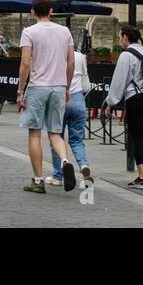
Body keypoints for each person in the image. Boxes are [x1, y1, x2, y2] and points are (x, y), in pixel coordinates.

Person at [17, 0, 76, 193]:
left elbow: (25, 63)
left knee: (34, 133)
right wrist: (66, 86)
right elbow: (71, 62)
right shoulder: (64, 31)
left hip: (37, 86)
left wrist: (19, 91)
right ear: (51, 11)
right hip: (58, 86)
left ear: (33, 11)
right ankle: (65, 161)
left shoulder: (29, 32)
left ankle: (37, 180)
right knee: (55, 133)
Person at [104, 25, 143, 189]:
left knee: (136, 136)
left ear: (125, 37)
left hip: (135, 98)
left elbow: (119, 81)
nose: (120, 40)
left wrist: (111, 102)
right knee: (139, 134)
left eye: (120, 37)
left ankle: (142, 176)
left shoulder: (127, 56)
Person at [48, 44, 92, 186]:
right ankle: (83, 165)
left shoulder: (55, 56)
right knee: (77, 140)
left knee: (56, 138)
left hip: (60, 99)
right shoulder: (80, 56)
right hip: (78, 100)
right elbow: (86, 83)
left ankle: (57, 175)